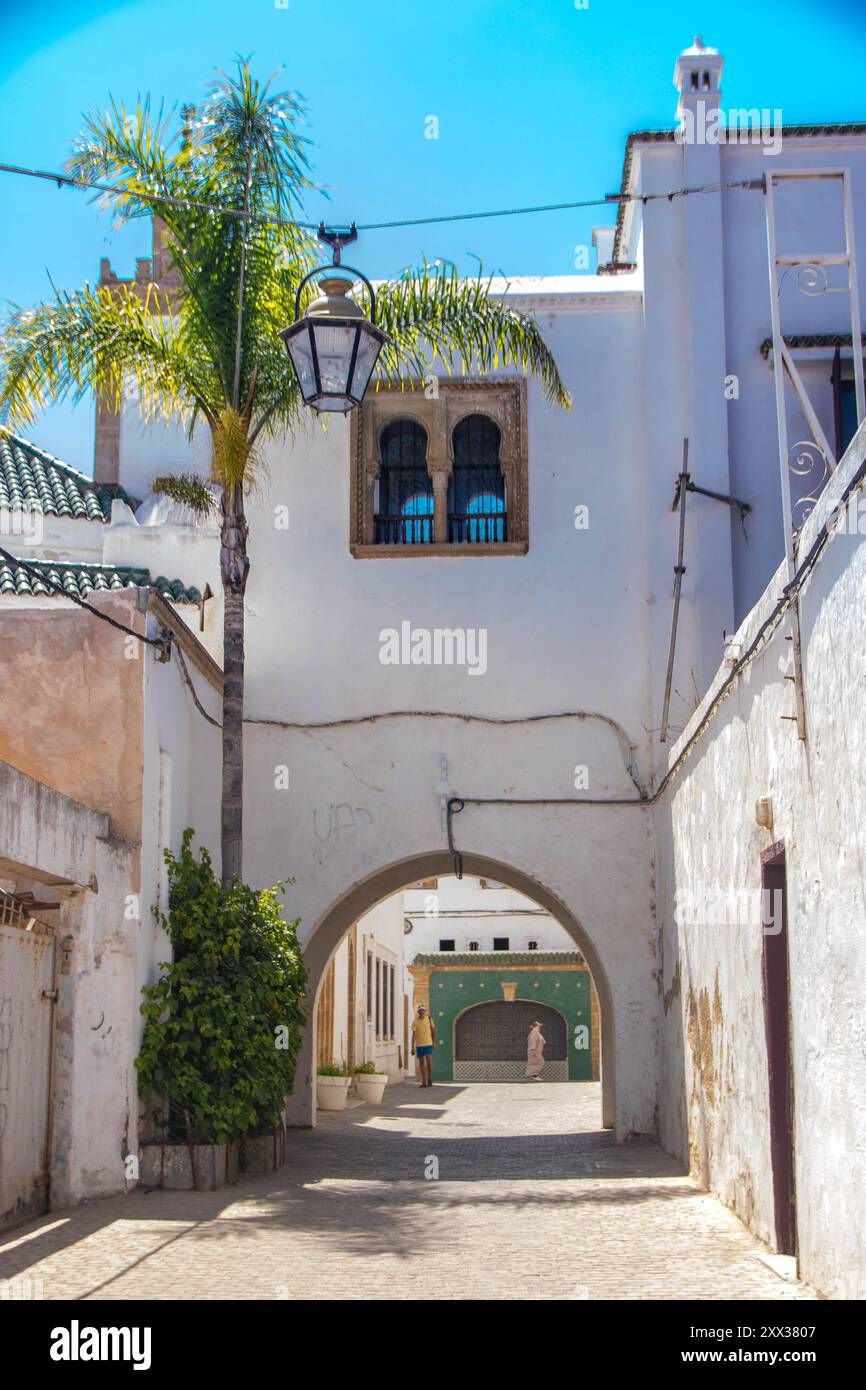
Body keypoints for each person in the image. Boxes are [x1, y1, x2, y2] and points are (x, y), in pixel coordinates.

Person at [411, 1003, 436, 1087]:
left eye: (423, 1011)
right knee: (421, 1063)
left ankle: (430, 1079)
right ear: (418, 1012)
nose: (422, 1012)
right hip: (419, 1045)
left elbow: (433, 1031)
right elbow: (413, 1035)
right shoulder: (415, 1022)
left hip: (428, 1043)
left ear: (425, 1011)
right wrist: (412, 1047)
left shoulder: (429, 1019)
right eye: (420, 1011)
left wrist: (434, 1042)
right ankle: (423, 1082)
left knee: (429, 1062)